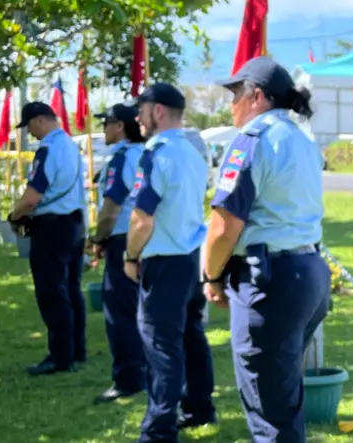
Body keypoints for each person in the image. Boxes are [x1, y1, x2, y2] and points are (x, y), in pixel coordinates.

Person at [201, 56, 330, 442]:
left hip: (269, 281)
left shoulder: (251, 140)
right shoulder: (302, 140)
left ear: (257, 96)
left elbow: (225, 225)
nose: (230, 103)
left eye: (235, 94)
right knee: (282, 394)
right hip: (308, 272)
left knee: (269, 410)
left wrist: (211, 276)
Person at [126, 83, 217, 441]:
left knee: (161, 344)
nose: (137, 117)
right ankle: (199, 407)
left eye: (142, 108)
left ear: (158, 111)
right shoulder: (194, 151)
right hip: (192, 256)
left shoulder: (155, 153)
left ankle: (159, 428)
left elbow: (142, 218)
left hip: (163, 260)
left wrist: (130, 255)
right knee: (192, 336)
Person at [8, 100, 87, 376]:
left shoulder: (47, 150)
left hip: (51, 226)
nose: (30, 133)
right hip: (74, 222)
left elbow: (32, 197)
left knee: (51, 291)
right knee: (71, 289)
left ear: (40, 120)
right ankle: (77, 349)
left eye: (29, 127)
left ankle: (59, 356)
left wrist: (15, 214)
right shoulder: (71, 146)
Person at [89, 103, 148, 403]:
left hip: (123, 239)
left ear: (120, 126)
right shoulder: (147, 154)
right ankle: (148, 371)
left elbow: (110, 210)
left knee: (120, 314)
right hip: (149, 238)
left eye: (106, 124)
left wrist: (98, 239)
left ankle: (127, 379)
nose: (103, 130)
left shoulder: (120, 159)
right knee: (144, 311)